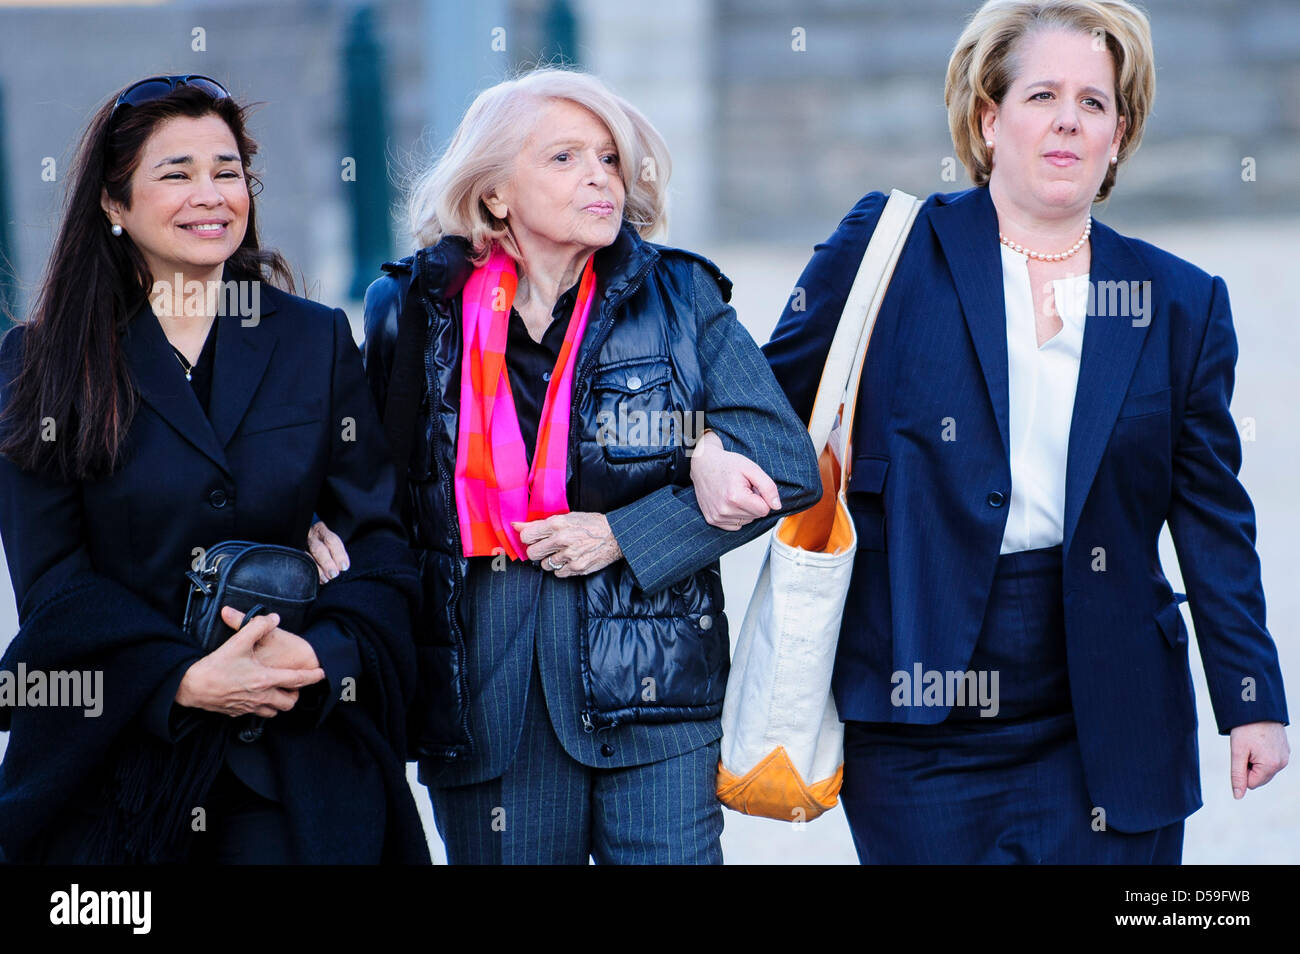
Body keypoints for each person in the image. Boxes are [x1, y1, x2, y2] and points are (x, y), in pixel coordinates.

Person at [706, 0, 1290, 863]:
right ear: (988, 119)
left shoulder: (1180, 301)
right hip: (920, 713)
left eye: (1094, 103)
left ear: (1120, 135)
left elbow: (1212, 517)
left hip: (1109, 716)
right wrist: (709, 450)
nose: (1068, 120)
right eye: (1042, 95)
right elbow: (763, 397)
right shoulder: (889, 250)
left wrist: (1251, 700)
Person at [310, 67, 821, 864]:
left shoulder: (681, 295)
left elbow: (787, 464)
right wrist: (319, 522)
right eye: (564, 157)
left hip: (655, 701)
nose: (600, 176)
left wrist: (629, 530)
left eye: (609, 158)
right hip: (485, 709)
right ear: (494, 194)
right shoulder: (411, 307)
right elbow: (371, 481)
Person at [0, 76, 428, 864]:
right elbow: (55, 585)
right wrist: (182, 680)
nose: (211, 195)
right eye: (177, 173)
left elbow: (380, 547)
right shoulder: (40, 361)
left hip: (294, 763)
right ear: (113, 202)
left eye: (227, 171)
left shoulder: (314, 339)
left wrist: (322, 655)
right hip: (121, 771)